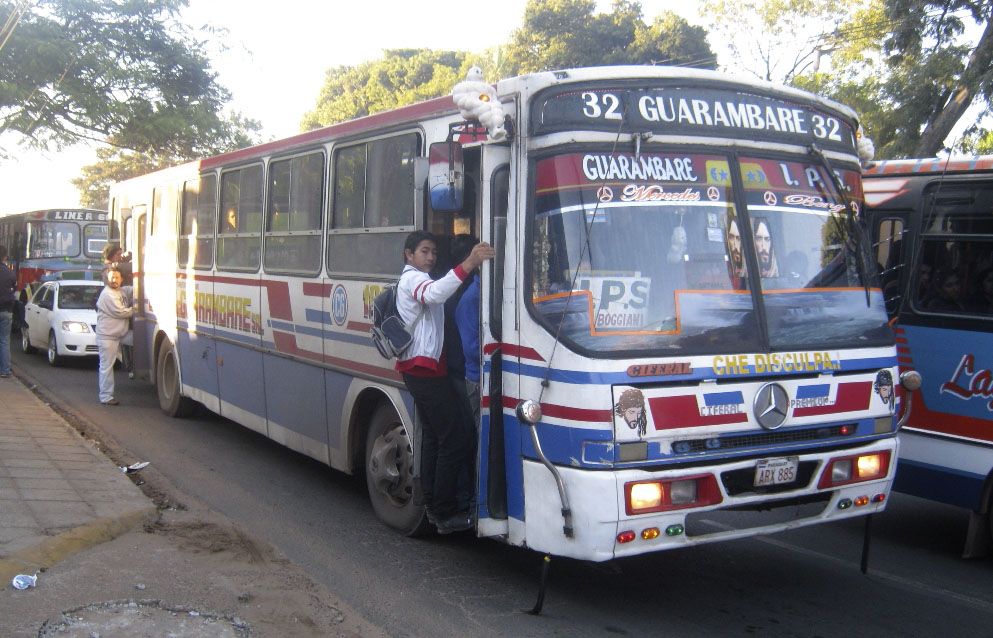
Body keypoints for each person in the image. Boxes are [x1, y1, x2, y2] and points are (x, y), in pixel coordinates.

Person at [396, 230, 494, 534]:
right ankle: (444, 512)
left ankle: (433, 507)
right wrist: (470, 262)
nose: (431, 257)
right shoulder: (413, 280)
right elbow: (435, 294)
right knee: (454, 438)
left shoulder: (421, 278)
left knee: (436, 438)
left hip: (426, 370)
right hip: (423, 371)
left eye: (434, 252)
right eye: (424, 251)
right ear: (409, 255)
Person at [96, 268, 134, 405]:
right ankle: (106, 397)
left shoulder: (122, 291)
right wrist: (136, 309)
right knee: (106, 367)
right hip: (107, 337)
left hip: (120, 334)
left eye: (117, 277)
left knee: (140, 340)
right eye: (111, 277)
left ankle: (133, 367)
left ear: (121, 279)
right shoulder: (107, 294)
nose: (114, 280)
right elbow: (121, 312)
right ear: (107, 279)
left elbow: (133, 289)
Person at [0, 246, 15, 379]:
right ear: (5, 257)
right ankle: (5, 370)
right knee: (4, 340)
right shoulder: (10, 273)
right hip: (6, 311)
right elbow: (14, 287)